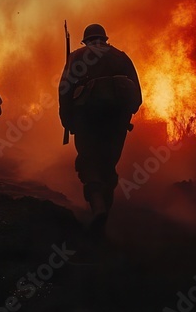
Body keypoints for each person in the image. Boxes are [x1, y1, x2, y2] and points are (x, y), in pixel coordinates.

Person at [58, 23, 142, 232]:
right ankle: (104, 218)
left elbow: (65, 90)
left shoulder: (77, 56)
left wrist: (67, 119)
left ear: (86, 40)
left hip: (87, 117)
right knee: (108, 164)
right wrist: (124, 115)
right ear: (104, 39)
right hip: (117, 119)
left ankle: (97, 207)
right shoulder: (121, 57)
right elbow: (137, 95)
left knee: (88, 162)